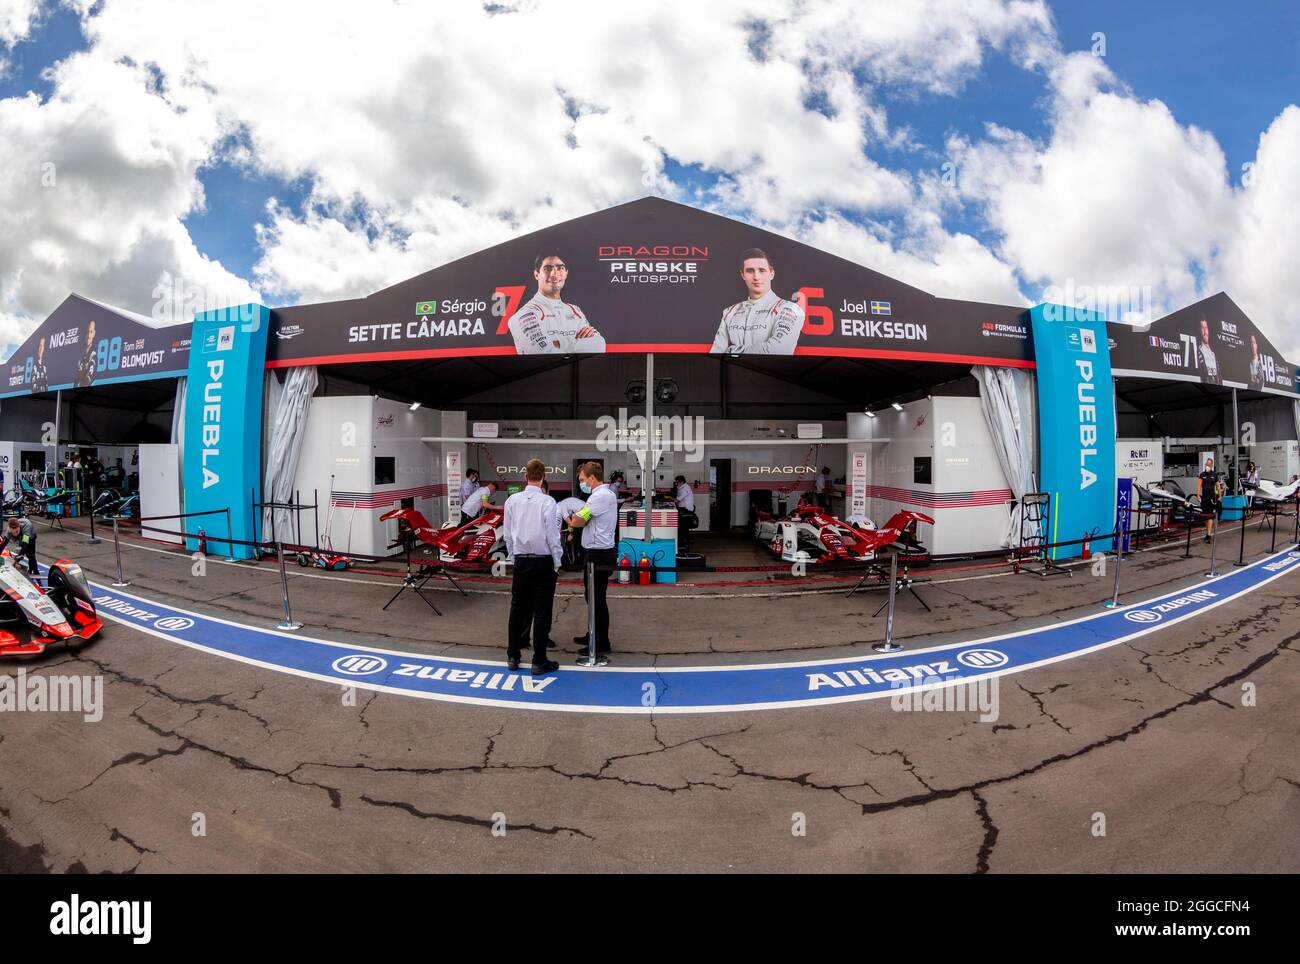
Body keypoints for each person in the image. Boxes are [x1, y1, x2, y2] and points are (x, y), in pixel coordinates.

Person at [502, 459, 562, 675]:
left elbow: (507, 534)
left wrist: (512, 556)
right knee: (542, 611)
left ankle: (513, 656)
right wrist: (557, 561)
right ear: (543, 477)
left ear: (525, 477)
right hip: (543, 561)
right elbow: (553, 536)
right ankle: (539, 660)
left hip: (521, 560)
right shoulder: (548, 502)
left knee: (517, 608)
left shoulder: (511, 501)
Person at [566, 461, 617, 665]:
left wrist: (571, 519)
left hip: (598, 554)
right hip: (600, 552)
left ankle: (600, 642)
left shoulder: (599, 497)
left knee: (595, 599)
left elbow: (578, 521)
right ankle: (593, 634)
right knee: (594, 597)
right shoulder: (606, 495)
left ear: (592, 478)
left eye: (582, 480)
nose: (581, 483)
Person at [710, 248, 804, 355]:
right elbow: (715, 356)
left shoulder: (791, 309)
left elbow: (777, 351)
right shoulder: (729, 312)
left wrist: (731, 350)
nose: (756, 277)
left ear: (772, 274)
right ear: (742, 275)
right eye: (750, 271)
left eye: (762, 270)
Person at [508, 253, 606, 354]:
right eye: (548, 268)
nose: (554, 274)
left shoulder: (575, 310)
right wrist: (580, 342)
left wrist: (557, 343)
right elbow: (541, 352)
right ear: (536, 274)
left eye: (560, 268)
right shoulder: (524, 315)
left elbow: (600, 345)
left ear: (566, 273)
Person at [1197, 456, 1221, 543]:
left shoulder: (1214, 475)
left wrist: (1220, 496)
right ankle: (1207, 532)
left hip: (1212, 498)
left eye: (1209, 464)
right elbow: (1199, 485)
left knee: (1210, 516)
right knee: (1205, 516)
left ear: (1212, 465)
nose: (1207, 465)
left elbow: (1218, 486)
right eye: (1206, 464)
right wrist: (1198, 495)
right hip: (1204, 498)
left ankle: (1209, 534)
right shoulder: (1202, 475)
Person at [75, 319, 98, 388]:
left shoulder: (93, 356)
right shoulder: (80, 358)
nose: (89, 335)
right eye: (87, 332)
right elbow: (75, 382)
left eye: (91, 332)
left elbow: (87, 380)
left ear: (94, 334)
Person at [1198, 319, 1221, 386]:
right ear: (1199, 330)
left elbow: (1219, 377)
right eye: (1202, 328)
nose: (1205, 331)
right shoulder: (1199, 352)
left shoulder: (1213, 354)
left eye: (1206, 328)